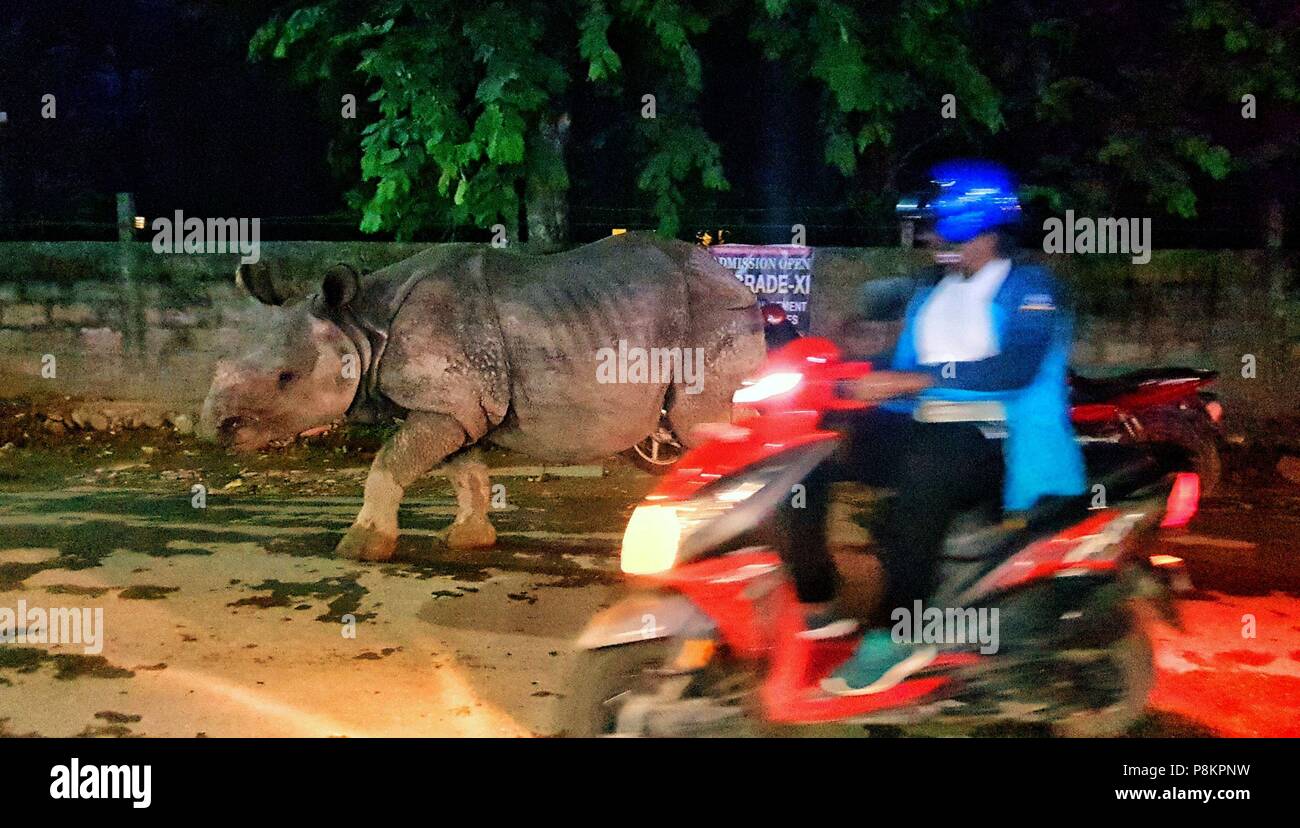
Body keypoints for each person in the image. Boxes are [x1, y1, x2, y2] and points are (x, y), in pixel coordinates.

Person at [781, 160, 1087, 695]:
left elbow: (1012, 368)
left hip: (996, 437)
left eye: (944, 231)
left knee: (923, 478)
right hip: (924, 423)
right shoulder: (933, 288)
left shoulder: (1031, 287)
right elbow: (898, 365)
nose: (933, 242)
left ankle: (902, 631)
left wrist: (915, 380)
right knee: (807, 456)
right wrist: (838, 377)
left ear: (984, 229)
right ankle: (823, 598)